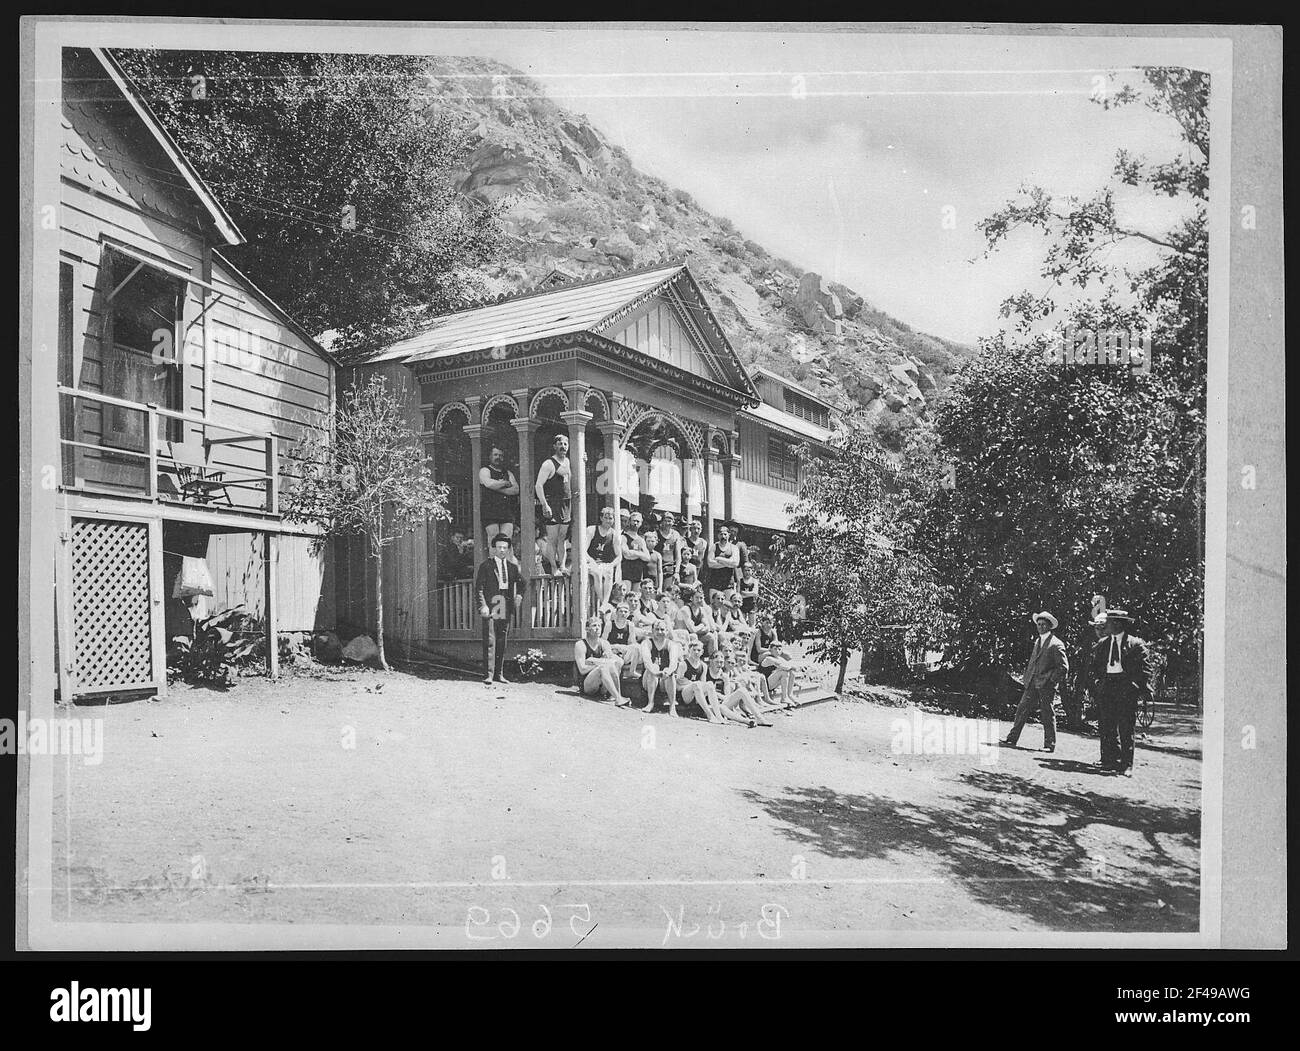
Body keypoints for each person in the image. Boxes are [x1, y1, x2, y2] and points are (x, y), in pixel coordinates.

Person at [1089, 609, 1154, 776]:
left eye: (1108, 622)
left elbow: (1145, 670)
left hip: (1126, 688)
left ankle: (1126, 764)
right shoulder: (1103, 644)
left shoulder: (1135, 644)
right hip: (1108, 686)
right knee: (1107, 725)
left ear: (1117, 624)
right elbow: (1096, 666)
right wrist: (1099, 682)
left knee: (1126, 727)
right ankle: (1111, 761)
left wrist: (1135, 687)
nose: (1105, 626)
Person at [1003, 611, 1070, 753]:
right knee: (1022, 708)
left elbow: (1063, 667)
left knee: (1047, 713)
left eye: (1043, 624)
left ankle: (1049, 744)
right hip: (1032, 682)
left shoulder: (1056, 644)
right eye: (1038, 624)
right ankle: (1012, 738)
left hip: (1046, 684)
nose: (1040, 627)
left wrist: (1051, 681)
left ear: (1049, 626)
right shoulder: (1038, 641)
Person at [474, 533, 523, 685]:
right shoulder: (486, 566)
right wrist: (483, 605)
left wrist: (519, 595)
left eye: (505, 548)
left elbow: (522, 582)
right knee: (490, 638)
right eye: (499, 547)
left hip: (505, 602)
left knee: (502, 639)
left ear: (508, 550)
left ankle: (499, 674)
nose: (502, 550)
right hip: (492, 603)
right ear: (494, 549)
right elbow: (479, 588)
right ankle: (488, 674)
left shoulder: (512, 567)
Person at [535, 433, 572, 577]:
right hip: (553, 504)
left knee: (562, 538)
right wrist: (545, 505)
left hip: (566, 504)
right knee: (553, 538)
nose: (563, 446)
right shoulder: (549, 464)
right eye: (560, 444)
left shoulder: (568, 461)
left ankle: (562, 566)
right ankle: (553, 567)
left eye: (565, 444)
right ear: (554, 446)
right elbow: (538, 485)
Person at [711, 651, 773, 727]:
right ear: (711, 661)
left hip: (722, 702)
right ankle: (747, 721)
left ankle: (759, 717)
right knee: (721, 707)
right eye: (717, 662)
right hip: (711, 704)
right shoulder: (707, 672)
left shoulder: (724, 676)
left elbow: (727, 694)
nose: (719, 665)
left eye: (721, 662)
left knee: (742, 691)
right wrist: (719, 696)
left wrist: (723, 697)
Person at [575, 615, 626, 703]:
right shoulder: (580, 644)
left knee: (615, 663)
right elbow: (582, 670)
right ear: (587, 629)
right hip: (588, 685)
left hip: (602, 686)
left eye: (599, 626)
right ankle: (618, 698)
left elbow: (611, 663)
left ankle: (616, 695)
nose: (597, 628)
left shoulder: (604, 643)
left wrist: (603, 657)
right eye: (594, 626)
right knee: (602, 668)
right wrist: (599, 663)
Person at [479, 446, 520, 554]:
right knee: (494, 540)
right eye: (495, 455)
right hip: (490, 511)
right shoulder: (485, 470)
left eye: (501, 455)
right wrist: (505, 483)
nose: (498, 457)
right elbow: (488, 483)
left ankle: (506, 569)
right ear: (490, 456)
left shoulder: (508, 473)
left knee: (506, 541)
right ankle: (495, 569)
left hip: (506, 511)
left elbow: (515, 490)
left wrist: (496, 488)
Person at [675, 638, 726, 723]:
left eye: (698, 650)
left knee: (709, 684)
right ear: (689, 651)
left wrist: (697, 685)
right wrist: (692, 684)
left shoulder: (703, 666)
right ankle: (710, 716)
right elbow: (677, 685)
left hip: (697, 694)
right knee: (697, 685)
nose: (696, 652)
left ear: (702, 652)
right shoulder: (683, 664)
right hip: (684, 695)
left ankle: (719, 716)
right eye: (694, 650)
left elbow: (703, 684)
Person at [583, 506, 622, 611]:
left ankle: (604, 604)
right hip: (590, 561)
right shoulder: (591, 530)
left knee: (609, 572)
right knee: (597, 573)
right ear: (601, 518)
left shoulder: (614, 535)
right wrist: (591, 561)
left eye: (611, 518)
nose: (608, 521)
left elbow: (619, 556)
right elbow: (583, 550)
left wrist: (611, 564)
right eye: (606, 517)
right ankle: (603, 602)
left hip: (604, 563)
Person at [639, 620, 681, 715]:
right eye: (657, 629)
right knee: (653, 667)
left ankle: (672, 707)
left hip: (664, 681)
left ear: (667, 631)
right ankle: (650, 703)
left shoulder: (672, 645)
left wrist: (668, 672)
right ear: (653, 631)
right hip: (648, 680)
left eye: (662, 629)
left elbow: (673, 663)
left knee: (669, 671)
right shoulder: (646, 643)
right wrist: (655, 672)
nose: (659, 632)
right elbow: (647, 662)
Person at [602, 600, 643, 678]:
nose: (623, 614)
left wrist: (624, 648)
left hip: (624, 652)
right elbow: (603, 643)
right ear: (617, 612)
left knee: (637, 648)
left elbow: (632, 643)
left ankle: (632, 671)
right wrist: (616, 647)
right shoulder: (610, 624)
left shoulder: (630, 625)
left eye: (625, 612)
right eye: (621, 611)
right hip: (612, 651)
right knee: (618, 661)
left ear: (628, 614)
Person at [705, 524, 741, 601]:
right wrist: (728, 563)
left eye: (725, 534)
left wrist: (719, 559)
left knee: (727, 607)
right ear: (718, 535)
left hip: (728, 583)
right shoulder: (714, 546)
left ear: (729, 535)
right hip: (715, 582)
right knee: (714, 606)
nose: (723, 536)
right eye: (721, 534)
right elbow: (710, 563)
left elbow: (735, 563)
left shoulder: (733, 548)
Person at [681, 586, 719, 656]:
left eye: (701, 598)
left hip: (697, 635)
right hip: (685, 636)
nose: (699, 600)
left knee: (711, 636)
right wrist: (702, 625)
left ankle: (713, 658)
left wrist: (699, 628)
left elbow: (708, 628)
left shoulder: (701, 609)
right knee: (694, 636)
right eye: (696, 597)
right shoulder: (685, 609)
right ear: (691, 598)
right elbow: (692, 630)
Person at [619, 510, 652, 589]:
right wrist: (640, 554)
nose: (635, 523)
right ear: (629, 521)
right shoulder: (623, 537)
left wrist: (634, 553)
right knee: (626, 596)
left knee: (635, 597)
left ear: (641, 523)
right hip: (626, 573)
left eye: (638, 521)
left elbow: (648, 557)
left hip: (638, 574)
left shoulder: (641, 540)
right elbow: (627, 555)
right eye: (634, 521)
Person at [655, 511, 684, 584]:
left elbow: (678, 556)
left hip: (669, 569)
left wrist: (677, 572)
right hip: (657, 567)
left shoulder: (675, 534)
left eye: (669, 521)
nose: (668, 523)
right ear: (662, 522)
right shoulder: (656, 533)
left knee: (668, 593)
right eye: (665, 521)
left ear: (673, 522)